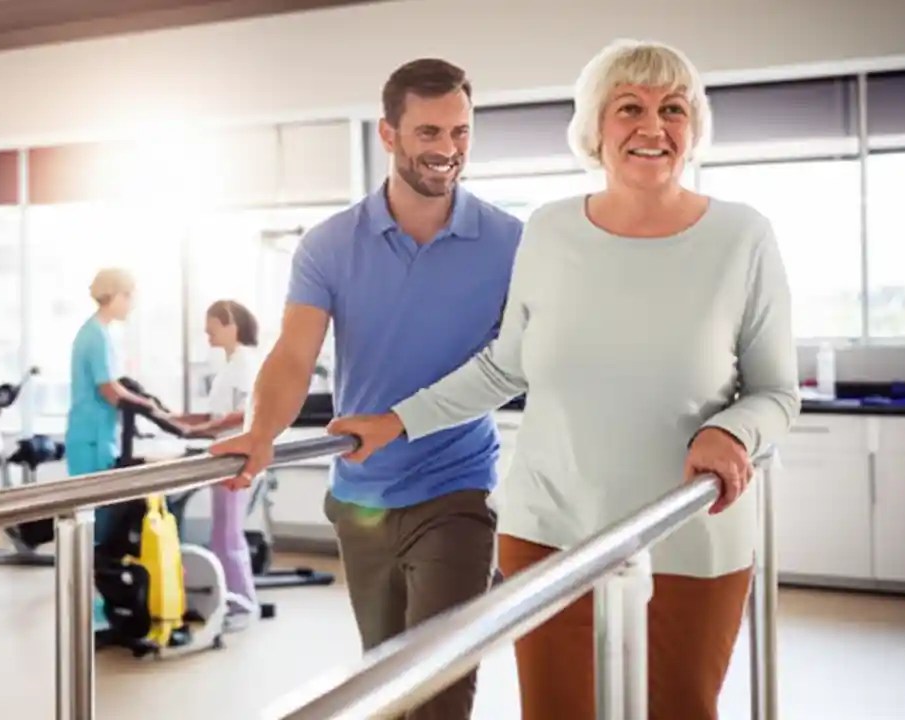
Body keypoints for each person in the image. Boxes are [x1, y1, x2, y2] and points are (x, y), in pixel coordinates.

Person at [327, 39, 801, 720]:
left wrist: (732, 430)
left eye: (673, 108)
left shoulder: (742, 237)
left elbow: (778, 392)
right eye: (628, 108)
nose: (651, 125)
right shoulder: (549, 231)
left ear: (693, 127)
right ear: (595, 128)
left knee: (680, 709)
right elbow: (504, 366)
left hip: (689, 533)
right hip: (549, 528)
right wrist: (396, 421)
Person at [209, 58, 525, 719]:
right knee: (387, 688)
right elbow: (295, 354)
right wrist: (261, 432)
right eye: (429, 132)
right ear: (389, 134)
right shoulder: (329, 244)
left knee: (439, 688)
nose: (447, 150)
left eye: (461, 132)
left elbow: (520, 361)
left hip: (457, 488)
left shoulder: (508, 242)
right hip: (361, 499)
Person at [170, 300, 264, 630]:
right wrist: (175, 419)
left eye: (211, 328)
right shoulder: (230, 365)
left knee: (227, 536)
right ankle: (232, 601)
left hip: (237, 460)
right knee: (221, 535)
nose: (207, 335)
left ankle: (243, 606)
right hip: (223, 458)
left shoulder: (246, 363)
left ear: (229, 323)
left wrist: (202, 429)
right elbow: (217, 414)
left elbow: (242, 414)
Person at [65, 267, 160, 547]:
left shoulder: (98, 332)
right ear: (115, 296)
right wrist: (148, 406)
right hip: (90, 439)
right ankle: (93, 588)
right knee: (93, 523)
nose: (132, 303)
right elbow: (108, 388)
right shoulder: (95, 335)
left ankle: (100, 584)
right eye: (128, 296)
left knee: (100, 521)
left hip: (98, 436)